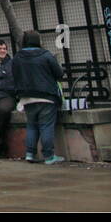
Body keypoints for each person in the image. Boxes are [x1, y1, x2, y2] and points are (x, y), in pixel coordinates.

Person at [12, 30, 66, 165]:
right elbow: (59, 74)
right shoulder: (46, 55)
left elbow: (14, 74)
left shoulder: (18, 57)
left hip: (26, 96)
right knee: (46, 126)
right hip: (46, 95)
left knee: (31, 125)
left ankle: (30, 154)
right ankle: (49, 156)